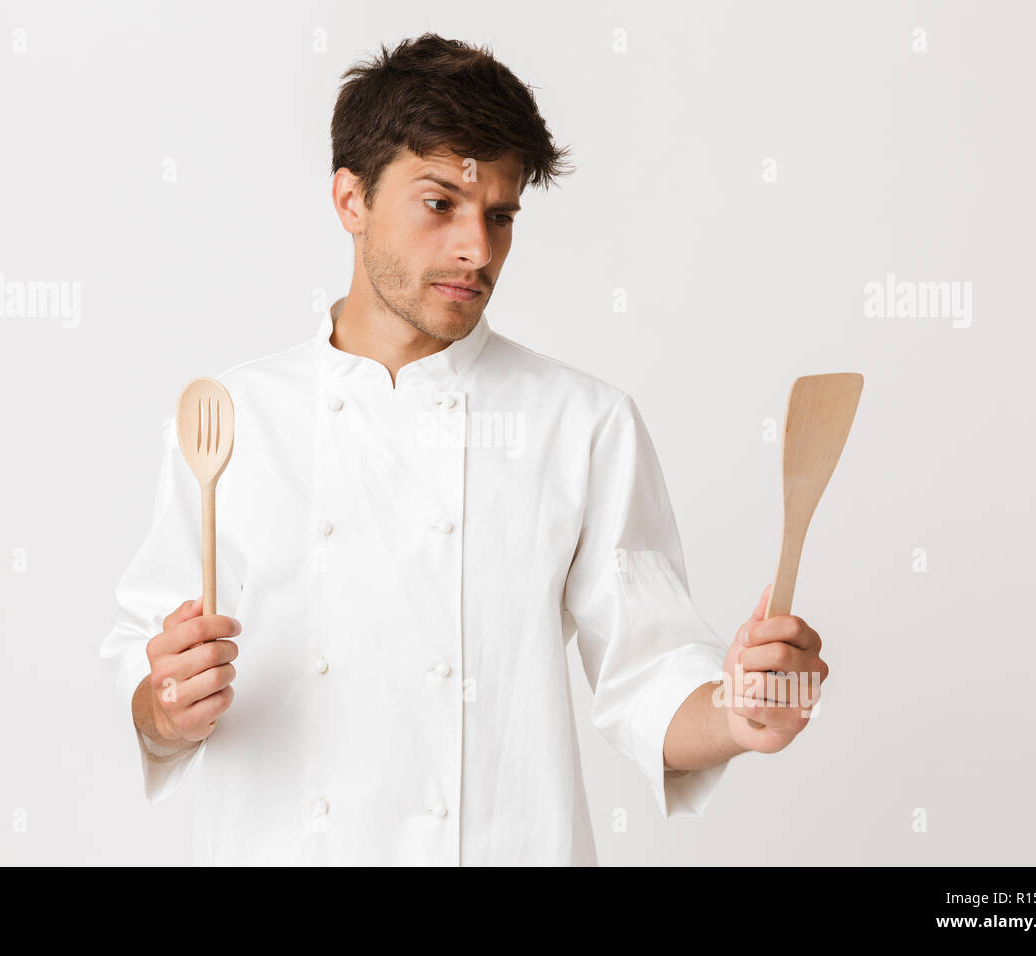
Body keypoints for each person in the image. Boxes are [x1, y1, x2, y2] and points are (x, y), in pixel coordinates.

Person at [99, 33, 829, 866]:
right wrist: (165, 704)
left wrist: (743, 710)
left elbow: (650, 679)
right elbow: (144, 664)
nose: (477, 250)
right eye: (440, 202)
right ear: (350, 199)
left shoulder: (582, 424)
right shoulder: (230, 420)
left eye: (500, 215)